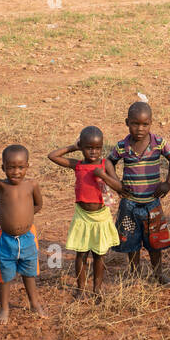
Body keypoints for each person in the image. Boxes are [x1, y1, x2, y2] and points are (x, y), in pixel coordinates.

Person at [105, 101, 170, 282]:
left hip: (152, 204)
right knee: (131, 241)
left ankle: (158, 272)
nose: (139, 128)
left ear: (151, 123)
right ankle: (134, 273)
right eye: (135, 124)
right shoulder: (123, 146)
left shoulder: (158, 143)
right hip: (129, 203)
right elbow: (109, 162)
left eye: (145, 124)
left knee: (155, 243)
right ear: (127, 122)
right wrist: (117, 184)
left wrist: (168, 183)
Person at [49, 126, 122, 299]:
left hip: (100, 216)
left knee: (99, 255)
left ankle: (97, 288)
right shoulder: (78, 165)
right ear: (82, 147)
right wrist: (73, 147)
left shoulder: (106, 164)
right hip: (82, 216)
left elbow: (120, 187)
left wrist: (103, 176)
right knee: (81, 254)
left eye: (97, 148)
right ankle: (80, 288)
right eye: (88, 147)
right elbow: (52, 156)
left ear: (102, 147)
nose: (93, 152)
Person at [0, 144, 46, 322]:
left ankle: (34, 303)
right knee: (5, 276)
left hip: (27, 238)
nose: (16, 172)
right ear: (3, 168)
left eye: (21, 167)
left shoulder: (32, 185)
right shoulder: (1, 185)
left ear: (27, 166)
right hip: (7, 240)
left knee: (29, 273)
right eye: (11, 167)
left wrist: (26, 217)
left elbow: (38, 205)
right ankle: (4, 308)